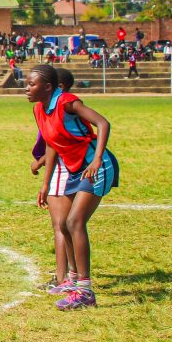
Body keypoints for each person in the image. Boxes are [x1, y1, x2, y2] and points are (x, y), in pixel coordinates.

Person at [26, 64, 117, 311]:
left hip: (96, 166)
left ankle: (85, 292)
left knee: (74, 222)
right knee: (64, 223)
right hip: (74, 169)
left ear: (47, 87)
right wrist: (45, 179)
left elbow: (103, 123)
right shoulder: (39, 110)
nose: (26, 88)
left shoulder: (67, 102)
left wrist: (97, 159)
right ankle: (72, 281)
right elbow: (53, 143)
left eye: (31, 84)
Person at [31, 68, 76, 291]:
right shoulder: (43, 109)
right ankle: (67, 274)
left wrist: (42, 168)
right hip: (61, 166)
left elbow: (57, 144)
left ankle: (64, 277)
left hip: (65, 167)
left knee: (62, 225)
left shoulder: (62, 108)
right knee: (63, 225)